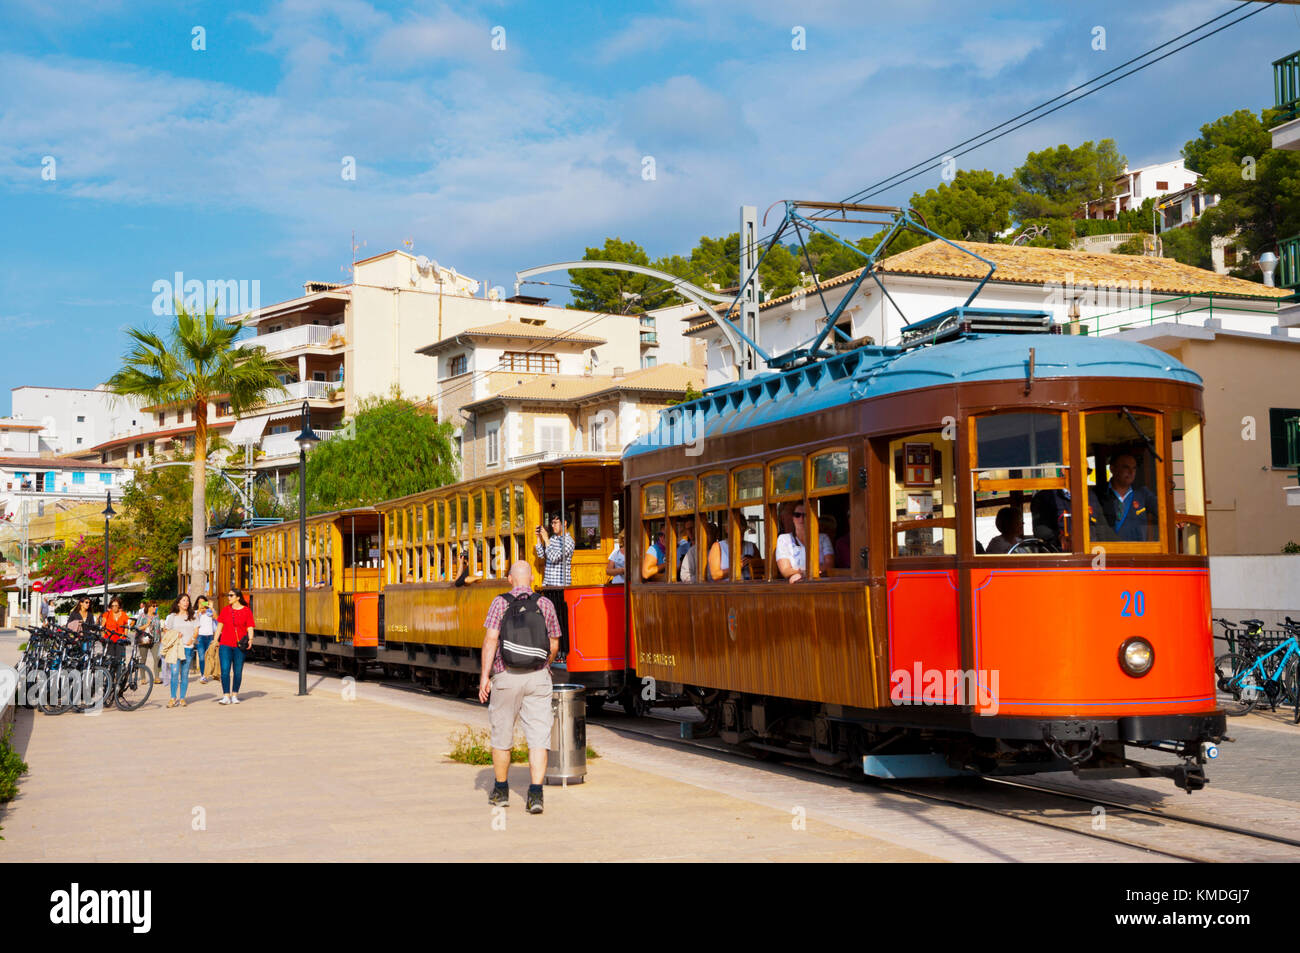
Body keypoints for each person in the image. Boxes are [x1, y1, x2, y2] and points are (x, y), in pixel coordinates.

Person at [477, 561, 562, 815]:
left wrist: (485, 676)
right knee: (538, 738)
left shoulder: (499, 603)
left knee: (502, 736)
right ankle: (535, 796)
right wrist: (543, 666)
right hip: (538, 678)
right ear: (532, 578)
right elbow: (554, 643)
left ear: (510, 579)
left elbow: (491, 640)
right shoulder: (545, 604)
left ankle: (501, 791)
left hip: (506, 676)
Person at [1088, 452, 1158, 543]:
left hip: (1138, 553)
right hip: (1108, 553)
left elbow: (1162, 510)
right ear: (1112, 469)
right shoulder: (1097, 494)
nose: (1131, 472)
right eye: (1126, 467)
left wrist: (1177, 518)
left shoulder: (1142, 493)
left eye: (1134, 468)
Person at [774, 501, 833, 583]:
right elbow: (785, 571)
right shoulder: (784, 539)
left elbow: (829, 564)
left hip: (820, 582)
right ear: (793, 518)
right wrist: (805, 573)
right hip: (796, 585)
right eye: (797, 515)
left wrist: (803, 574)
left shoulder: (823, 538)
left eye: (805, 515)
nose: (801, 519)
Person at [215, 588, 255, 705]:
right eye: (228, 595)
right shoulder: (225, 610)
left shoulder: (247, 611)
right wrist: (215, 641)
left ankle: (235, 695)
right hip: (225, 645)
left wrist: (250, 639)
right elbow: (219, 627)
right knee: (225, 670)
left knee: (238, 671)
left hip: (239, 646)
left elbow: (250, 627)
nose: (229, 597)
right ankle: (226, 695)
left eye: (231, 595)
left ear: (238, 597)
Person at [162, 594, 198, 708]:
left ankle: (182, 698)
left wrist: (191, 640)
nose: (186, 602)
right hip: (175, 649)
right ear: (178, 603)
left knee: (184, 674)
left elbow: (196, 631)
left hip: (188, 648)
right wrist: (175, 634)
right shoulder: (172, 616)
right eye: (183, 600)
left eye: (187, 600)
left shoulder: (193, 615)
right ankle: (173, 698)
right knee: (174, 673)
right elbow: (165, 630)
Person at [534, 514, 575, 587]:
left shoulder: (569, 542)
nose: (553, 525)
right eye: (552, 523)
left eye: (555, 523)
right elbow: (541, 555)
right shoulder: (553, 538)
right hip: (548, 584)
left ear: (564, 523)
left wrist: (546, 539)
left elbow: (554, 558)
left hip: (561, 586)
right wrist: (538, 538)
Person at [134, 601, 163, 683]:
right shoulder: (142, 616)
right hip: (144, 640)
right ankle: (143, 678)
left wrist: (160, 638)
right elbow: (137, 628)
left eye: (156, 606)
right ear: (149, 607)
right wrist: (147, 624)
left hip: (155, 640)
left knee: (157, 658)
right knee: (143, 659)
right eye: (154, 606)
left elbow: (158, 628)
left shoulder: (157, 616)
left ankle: (157, 678)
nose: (155, 607)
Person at [101, 597, 132, 668]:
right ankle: (110, 677)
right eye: (112, 606)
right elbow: (102, 627)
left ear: (119, 606)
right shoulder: (107, 614)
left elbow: (126, 626)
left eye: (116, 605)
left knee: (119, 660)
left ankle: (119, 677)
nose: (114, 607)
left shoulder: (124, 615)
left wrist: (125, 636)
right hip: (109, 639)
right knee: (110, 660)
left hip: (120, 640)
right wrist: (103, 638)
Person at [194, 595, 217, 683]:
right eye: (199, 602)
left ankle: (208, 674)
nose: (202, 604)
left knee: (209, 656)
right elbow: (194, 620)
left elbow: (216, 617)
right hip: (200, 636)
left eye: (203, 602)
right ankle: (203, 675)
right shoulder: (196, 612)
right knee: (201, 657)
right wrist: (199, 610)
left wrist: (211, 608)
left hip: (209, 636)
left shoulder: (209, 611)